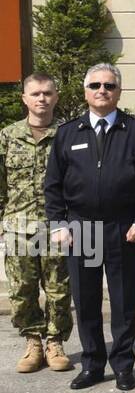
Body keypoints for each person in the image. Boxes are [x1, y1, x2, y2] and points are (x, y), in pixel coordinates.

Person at [44, 64, 135, 391]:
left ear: (118, 92)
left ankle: (124, 366)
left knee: (124, 302)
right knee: (86, 299)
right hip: (81, 230)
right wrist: (58, 224)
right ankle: (92, 364)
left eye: (109, 85)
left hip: (123, 228)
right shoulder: (68, 133)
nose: (102, 90)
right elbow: (53, 185)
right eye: (95, 85)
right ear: (85, 92)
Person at [0, 73, 72, 373]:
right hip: (19, 226)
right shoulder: (7, 136)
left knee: (59, 288)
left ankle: (55, 342)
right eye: (35, 94)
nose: (41, 99)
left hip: (60, 227)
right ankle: (32, 342)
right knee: (22, 289)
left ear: (56, 97)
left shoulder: (70, 134)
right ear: (25, 99)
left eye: (47, 93)